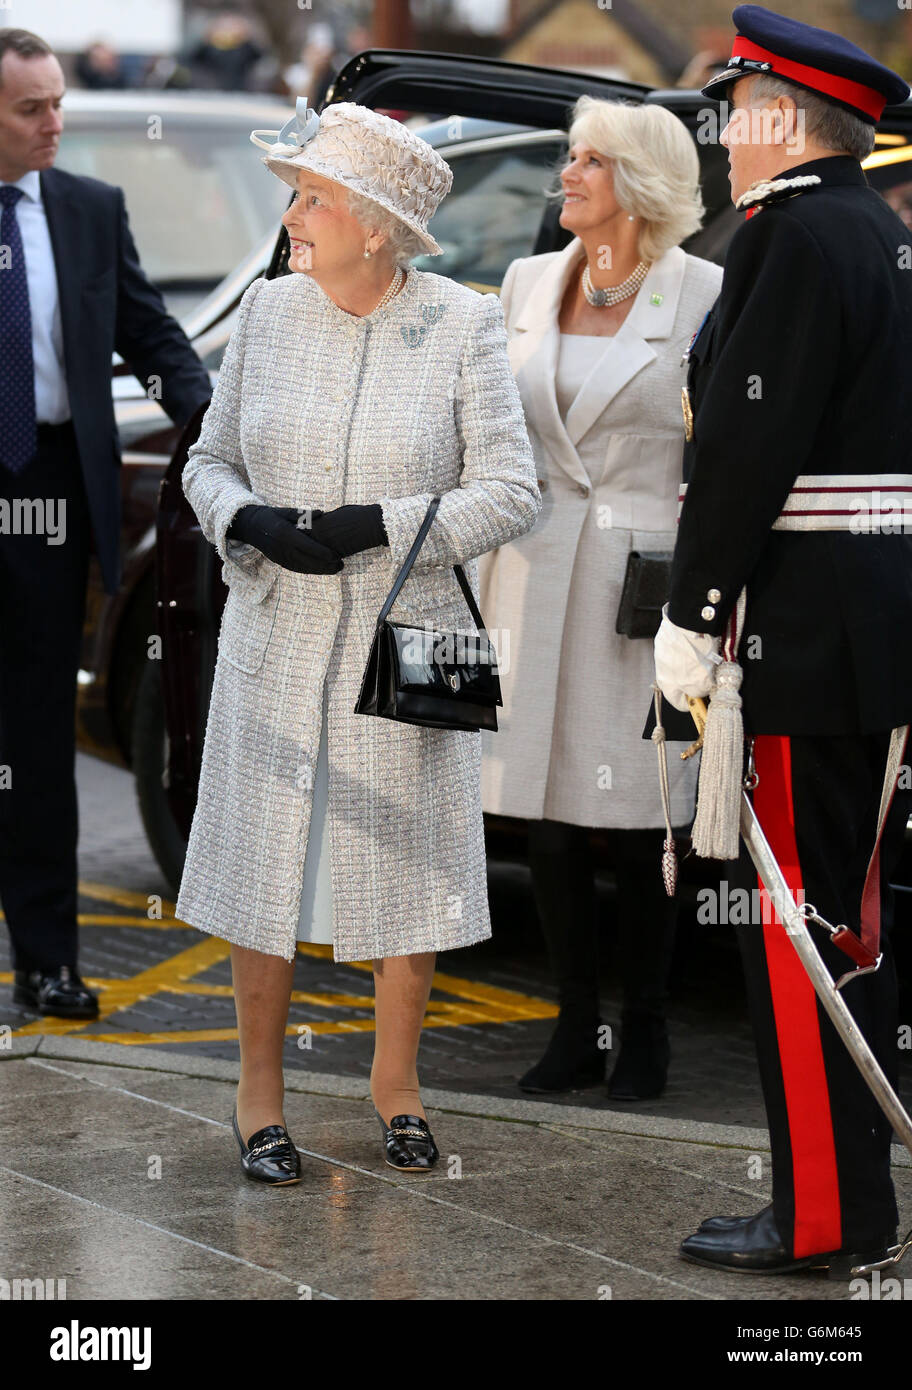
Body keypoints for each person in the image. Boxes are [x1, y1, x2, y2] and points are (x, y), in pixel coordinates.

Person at [174, 98, 541, 1182]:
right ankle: (258, 1101)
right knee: (261, 874)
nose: (291, 214)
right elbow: (206, 462)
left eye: (312, 197)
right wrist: (248, 522)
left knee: (406, 875)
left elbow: (511, 491)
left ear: (375, 224)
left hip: (416, 636)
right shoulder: (267, 313)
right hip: (276, 634)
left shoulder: (465, 323)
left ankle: (399, 1090)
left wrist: (375, 529)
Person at [654, 4, 912, 1276]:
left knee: (796, 927)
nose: (719, 132)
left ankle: (824, 1215)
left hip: (803, 636)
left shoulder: (795, 238)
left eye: (729, 110)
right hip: (870, 632)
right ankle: (848, 1200)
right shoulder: (879, 234)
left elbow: (746, 454)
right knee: (846, 923)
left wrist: (693, 617)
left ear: (776, 121)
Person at [477, 98, 722, 1100]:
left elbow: (723, 447)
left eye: (589, 161)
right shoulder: (529, 279)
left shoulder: (705, 289)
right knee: (545, 806)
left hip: (641, 584)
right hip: (531, 573)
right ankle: (573, 1021)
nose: (566, 175)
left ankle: (648, 1029)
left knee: (641, 810)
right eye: (570, 158)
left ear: (641, 182)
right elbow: (494, 421)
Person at [0, 28, 212, 1020]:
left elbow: (149, 330)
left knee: (38, 744)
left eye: (56, 102)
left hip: (48, 492)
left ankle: (47, 961)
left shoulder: (88, 210)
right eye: (31, 109)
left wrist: (213, 421)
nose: (54, 123)